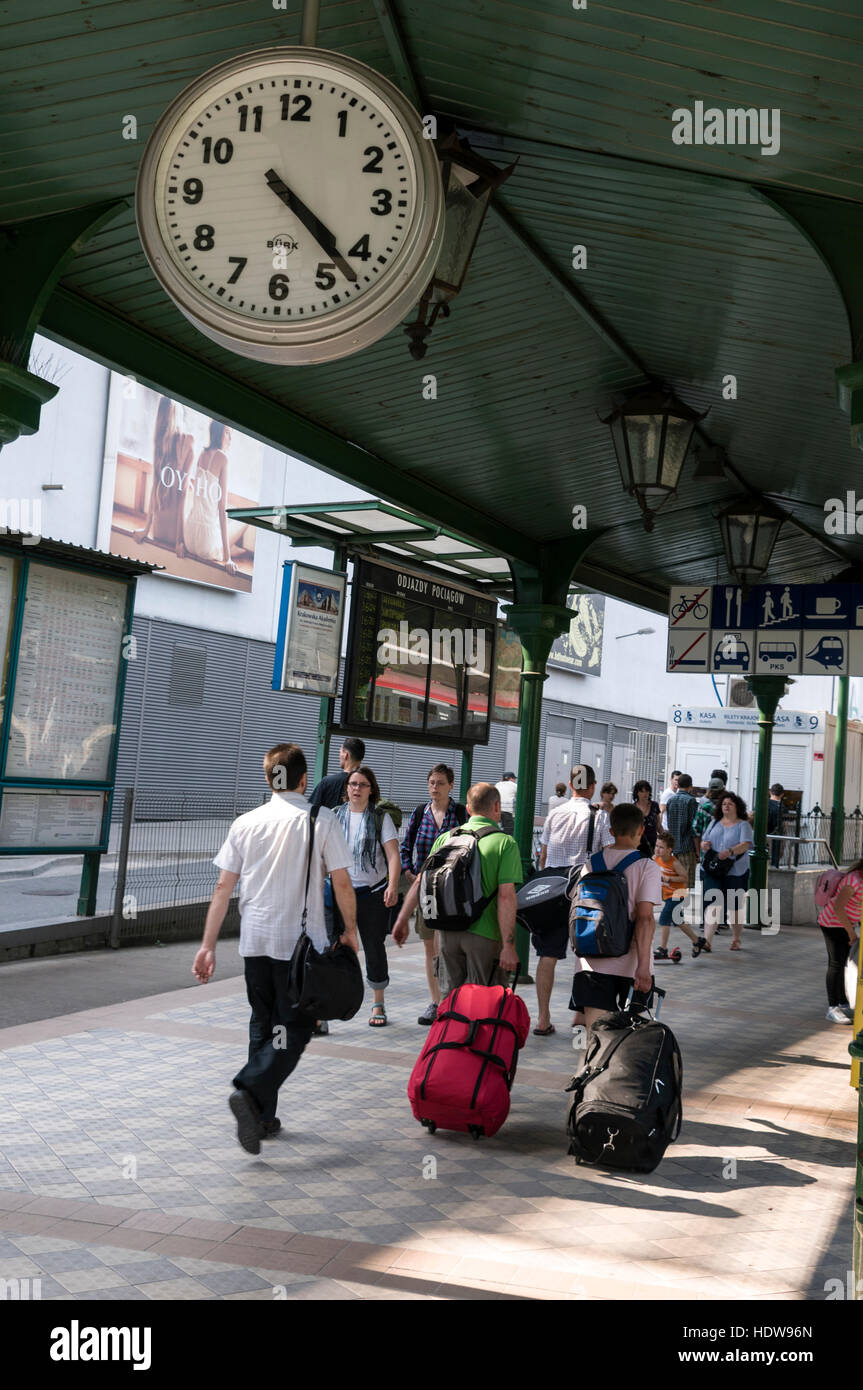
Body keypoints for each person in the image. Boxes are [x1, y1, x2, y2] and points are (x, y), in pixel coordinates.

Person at [193, 743, 358, 1155]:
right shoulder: (320, 820)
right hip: (297, 948)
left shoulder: (245, 823)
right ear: (304, 780)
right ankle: (250, 1090)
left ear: (269, 778)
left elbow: (222, 888)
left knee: (263, 1025)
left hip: (254, 944)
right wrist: (351, 930)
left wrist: (207, 945)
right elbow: (341, 882)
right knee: (296, 1029)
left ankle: (262, 1117)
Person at [393, 782, 521, 990]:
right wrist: (508, 945)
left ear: (468, 809)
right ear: (497, 806)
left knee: (451, 1004)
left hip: (446, 934)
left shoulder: (446, 837)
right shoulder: (504, 843)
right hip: (485, 936)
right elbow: (506, 897)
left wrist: (401, 919)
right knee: (483, 1004)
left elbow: (420, 881)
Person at [569, 803, 662, 1034]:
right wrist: (643, 967)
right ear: (641, 829)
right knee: (631, 1039)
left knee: (594, 1035)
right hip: (630, 966)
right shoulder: (646, 866)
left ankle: (590, 1068)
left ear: (611, 831)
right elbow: (645, 919)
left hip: (590, 962)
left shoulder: (592, 864)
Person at [536, 764, 613, 1036]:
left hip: (553, 891)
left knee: (548, 955)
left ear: (571, 786)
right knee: (586, 954)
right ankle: (580, 1016)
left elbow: (543, 857)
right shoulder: (600, 816)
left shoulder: (555, 814)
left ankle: (543, 1019)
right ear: (592, 787)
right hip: (584, 890)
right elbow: (607, 853)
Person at [331, 765, 401, 1027]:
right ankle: (329, 1004)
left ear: (372, 791)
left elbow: (393, 855)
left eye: (362, 785)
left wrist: (393, 885)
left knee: (373, 947)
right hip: (340, 892)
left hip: (372, 893)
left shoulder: (379, 818)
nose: (356, 789)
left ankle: (377, 1003)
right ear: (346, 788)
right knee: (334, 946)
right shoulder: (335, 816)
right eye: (352, 784)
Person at [401, 765, 467, 1025]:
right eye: (431, 783)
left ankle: (452, 999)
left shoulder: (460, 813)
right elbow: (407, 845)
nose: (434, 788)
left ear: (451, 785)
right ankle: (436, 1002)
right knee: (430, 946)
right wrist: (408, 870)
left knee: (448, 947)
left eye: (440, 783)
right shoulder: (421, 813)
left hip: (452, 890)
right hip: (425, 888)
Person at [134, 395, 194, 553]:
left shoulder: (159, 443)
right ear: (177, 412)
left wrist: (146, 529)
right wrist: (179, 541)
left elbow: (155, 488)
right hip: (175, 531)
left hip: (158, 529)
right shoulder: (188, 441)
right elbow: (183, 496)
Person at [700, 792, 754, 953]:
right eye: (724, 803)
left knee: (734, 906)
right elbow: (704, 839)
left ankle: (736, 938)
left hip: (736, 870)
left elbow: (746, 844)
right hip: (714, 868)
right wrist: (704, 845)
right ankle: (707, 941)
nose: (726, 806)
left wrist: (731, 851)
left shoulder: (743, 825)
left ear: (737, 807)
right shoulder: (714, 822)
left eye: (730, 803)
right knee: (713, 902)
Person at [181, 421, 238, 574]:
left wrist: (180, 541)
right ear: (217, 432)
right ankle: (230, 553)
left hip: (189, 535)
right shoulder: (223, 458)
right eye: (227, 432)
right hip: (205, 542)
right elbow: (222, 508)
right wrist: (228, 558)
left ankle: (231, 551)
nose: (230, 438)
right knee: (243, 523)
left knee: (230, 522)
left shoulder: (202, 454)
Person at [817, 859, 862, 1023]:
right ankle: (832, 1007)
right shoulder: (854, 880)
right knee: (836, 963)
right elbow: (838, 908)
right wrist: (851, 933)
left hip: (845, 924)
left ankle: (842, 1002)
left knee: (842, 962)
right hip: (832, 923)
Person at [652, 830, 702, 959]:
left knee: (664, 919)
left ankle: (662, 948)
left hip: (677, 895)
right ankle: (697, 941)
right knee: (678, 920)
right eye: (656, 846)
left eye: (661, 847)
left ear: (669, 850)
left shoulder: (674, 862)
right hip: (668, 895)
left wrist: (670, 879)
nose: (657, 849)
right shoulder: (655, 859)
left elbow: (685, 877)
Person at [309, 736, 365, 813]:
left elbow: (311, 811)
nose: (339, 756)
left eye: (340, 752)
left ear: (346, 755)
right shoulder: (368, 785)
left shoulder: (327, 782)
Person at [664, 773, 698, 887]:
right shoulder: (691, 801)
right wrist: (698, 850)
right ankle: (679, 904)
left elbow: (669, 823)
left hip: (674, 847)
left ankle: (675, 903)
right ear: (690, 786)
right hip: (687, 846)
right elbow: (694, 827)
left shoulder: (671, 801)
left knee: (675, 881)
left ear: (678, 785)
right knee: (686, 882)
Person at [633, 780, 661, 859]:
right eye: (642, 791)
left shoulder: (654, 805)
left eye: (647, 791)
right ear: (637, 793)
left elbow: (658, 826)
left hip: (652, 843)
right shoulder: (633, 808)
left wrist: (665, 839)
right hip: (637, 844)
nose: (645, 794)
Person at [768, 784, 785, 869]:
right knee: (776, 854)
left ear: (770, 792)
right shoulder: (783, 807)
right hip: (778, 834)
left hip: (765, 833)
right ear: (782, 794)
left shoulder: (764, 804)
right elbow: (785, 823)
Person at [495, 772, 518, 836]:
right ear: (510, 778)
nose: (515, 780)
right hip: (508, 811)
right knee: (509, 831)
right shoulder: (515, 785)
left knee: (495, 828)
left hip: (497, 810)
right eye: (514, 778)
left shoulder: (497, 784)